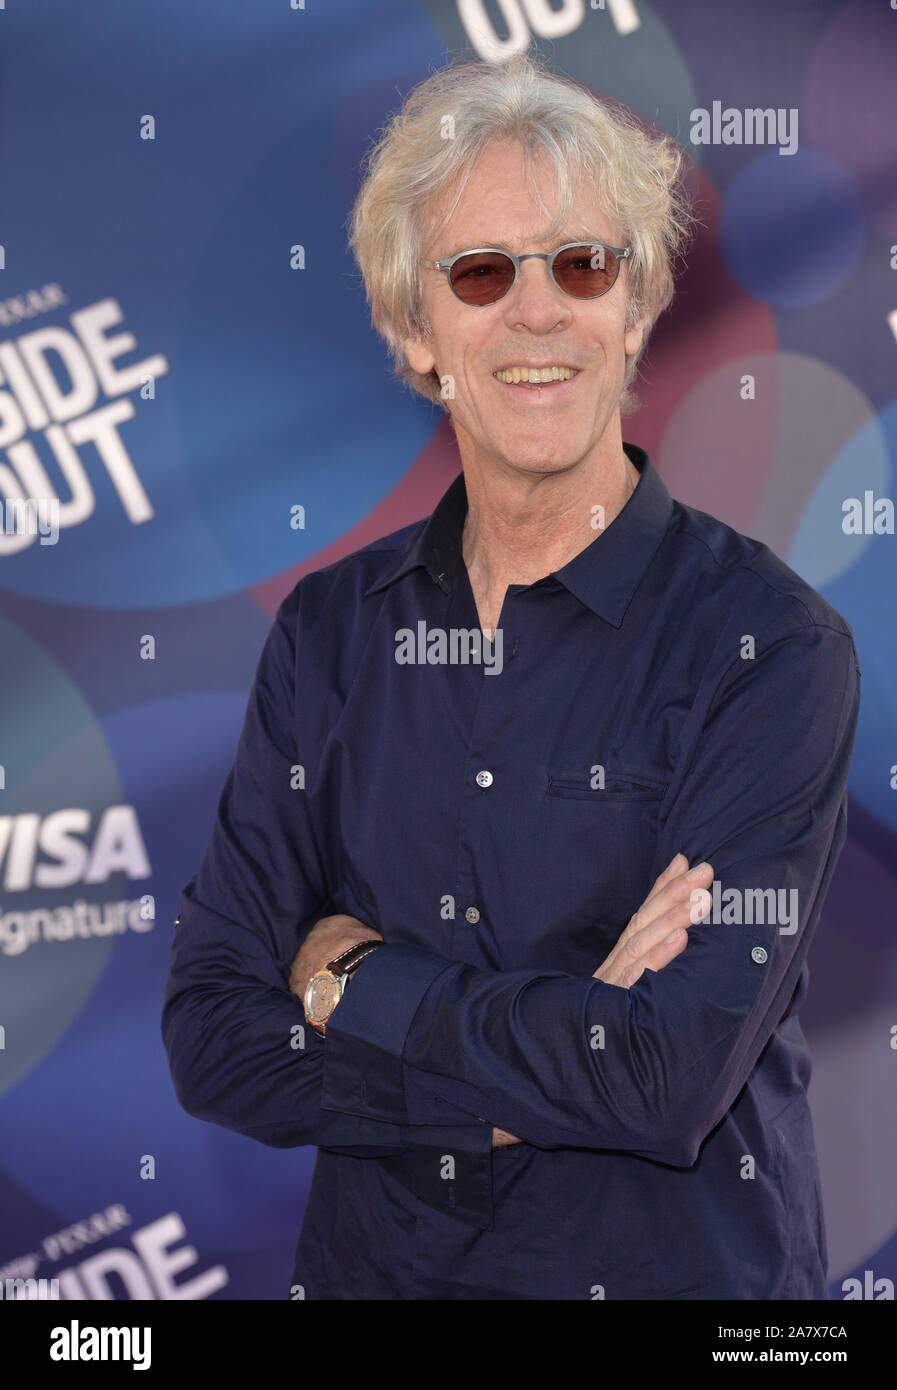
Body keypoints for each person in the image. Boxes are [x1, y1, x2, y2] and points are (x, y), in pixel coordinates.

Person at [162, 54, 860, 1300]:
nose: (538, 312)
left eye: (581, 265)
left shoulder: (772, 647)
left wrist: (352, 976)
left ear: (636, 307)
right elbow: (214, 1038)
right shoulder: (330, 632)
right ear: (414, 332)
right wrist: (548, 1054)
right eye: (483, 273)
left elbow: (663, 1079)